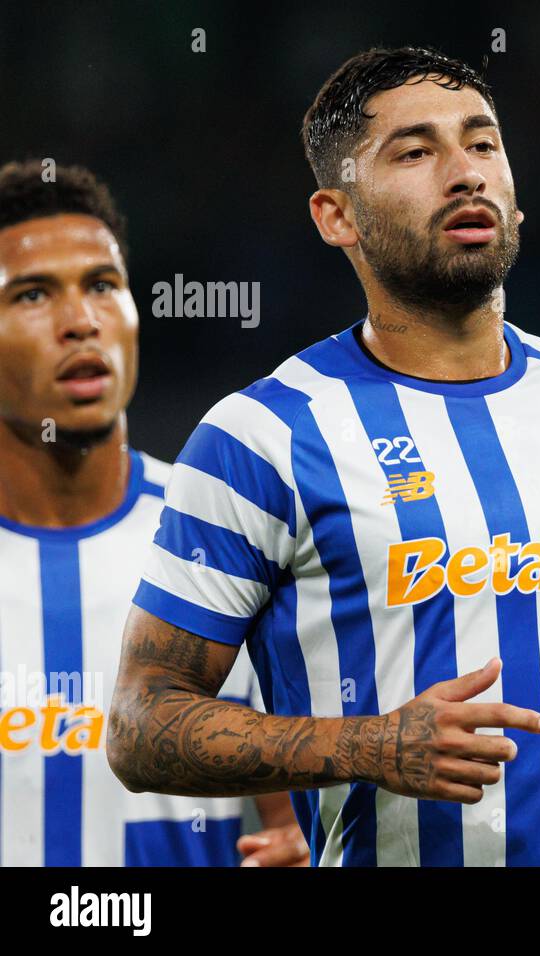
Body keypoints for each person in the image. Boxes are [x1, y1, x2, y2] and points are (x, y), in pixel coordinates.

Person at [108, 47, 540, 866]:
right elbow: (143, 724)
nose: (465, 172)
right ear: (337, 216)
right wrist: (369, 745)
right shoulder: (263, 437)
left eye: (483, 143)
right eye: (415, 151)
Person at [0, 159, 306, 866]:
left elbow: (299, 818)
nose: (81, 322)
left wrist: (303, 842)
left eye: (103, 286)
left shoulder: (231, 536)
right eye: (33, 296)